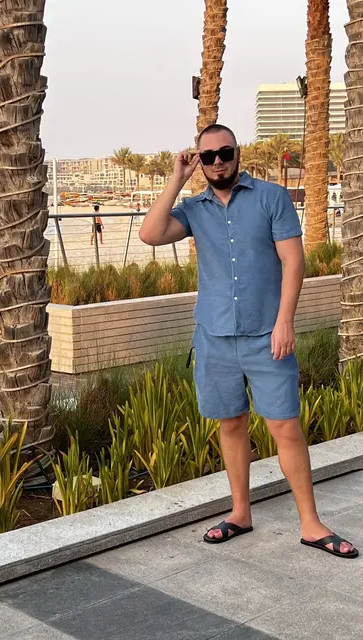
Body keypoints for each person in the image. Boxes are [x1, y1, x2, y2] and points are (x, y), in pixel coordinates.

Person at [139, 123, 358, 559]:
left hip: (266, 336)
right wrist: (177, 179)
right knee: (231, 424)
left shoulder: (272, 198)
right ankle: (240, 513)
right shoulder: (193, 209)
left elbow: (293, 262)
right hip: (214, 338)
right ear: (200, 162)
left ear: (238, 153)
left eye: (225, 152)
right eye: (208, 156)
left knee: (285, 427)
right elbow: (150, 234)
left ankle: (310, 524)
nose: (218, 161)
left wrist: (285, 322)